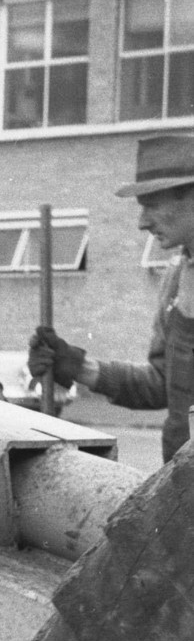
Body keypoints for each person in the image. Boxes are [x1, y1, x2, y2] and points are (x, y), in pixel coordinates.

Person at [29, 133, 194, 466]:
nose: (142, 222)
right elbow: (165, 384)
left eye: (152, 204)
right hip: (182, 485)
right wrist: (77, 366)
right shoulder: (177, 277)